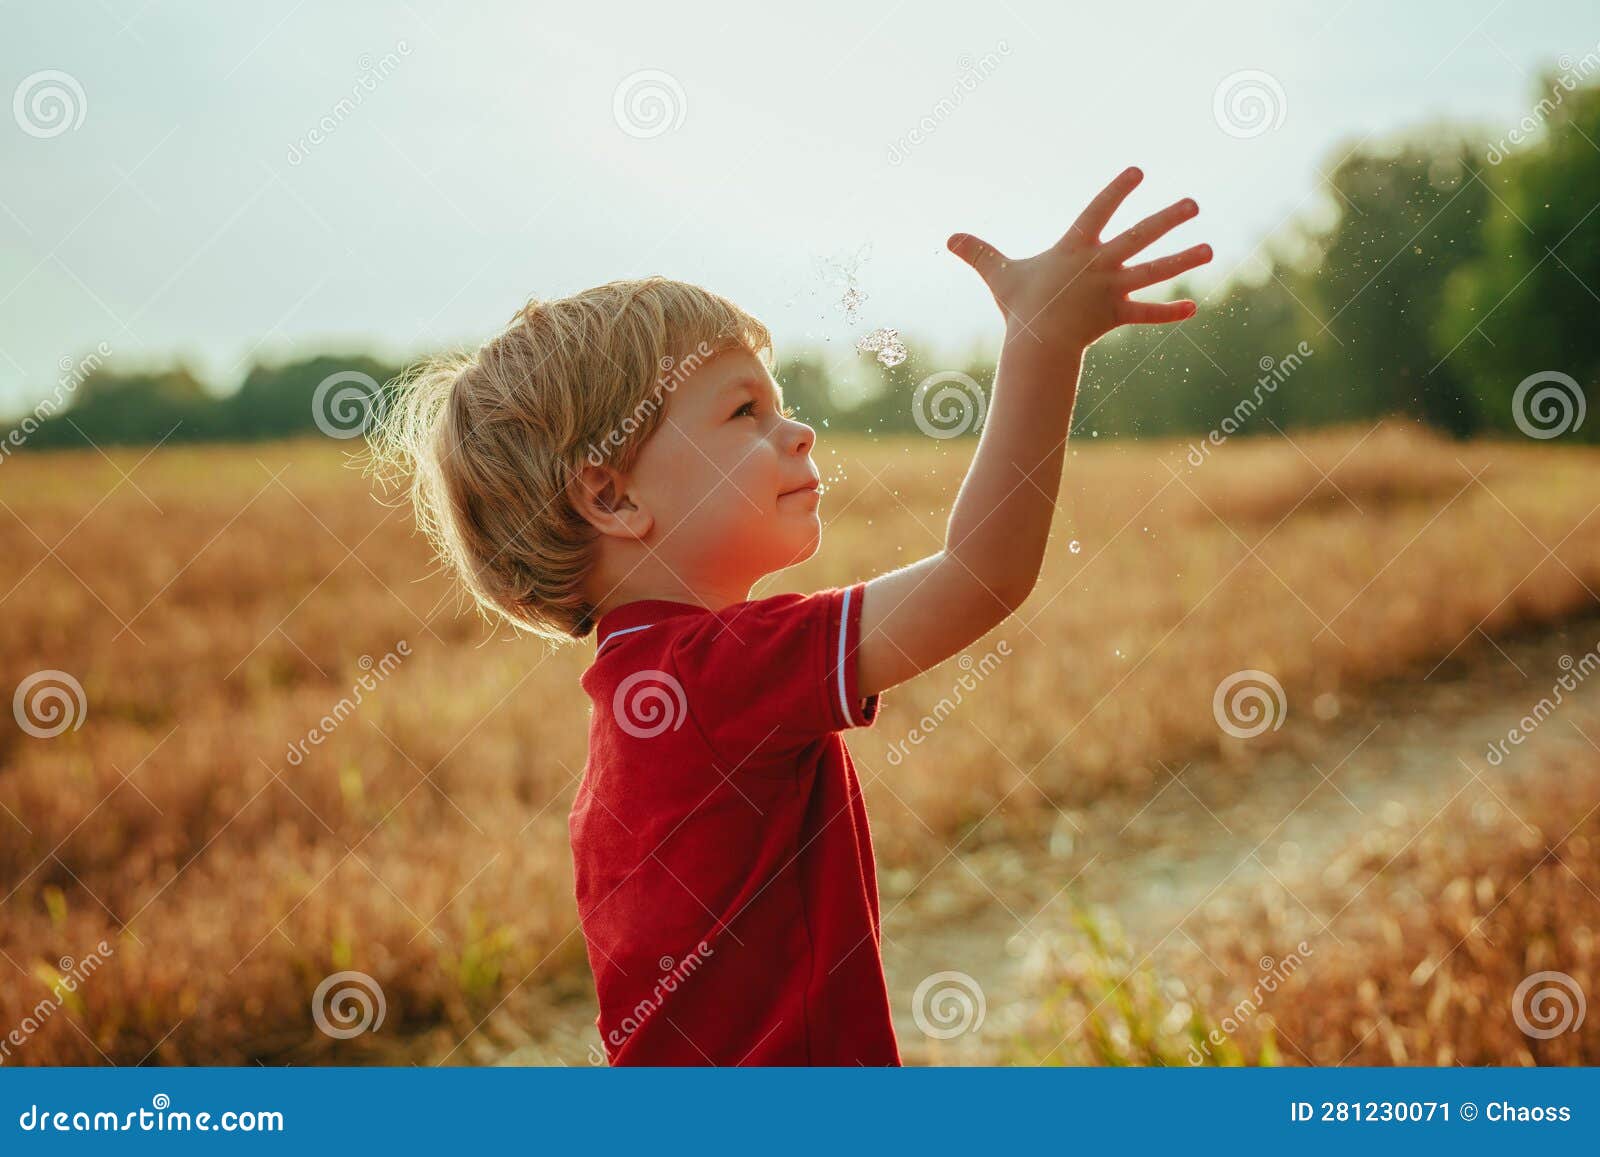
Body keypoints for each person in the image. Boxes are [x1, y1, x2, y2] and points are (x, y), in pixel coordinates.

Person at [372, 166, 1209, 1064]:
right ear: (612, 497)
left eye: (781, 403)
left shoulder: (637, 698)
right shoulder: (715, 675)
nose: (798, 431)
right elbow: (982, 576)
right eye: (744, 410)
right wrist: (1042, 342)